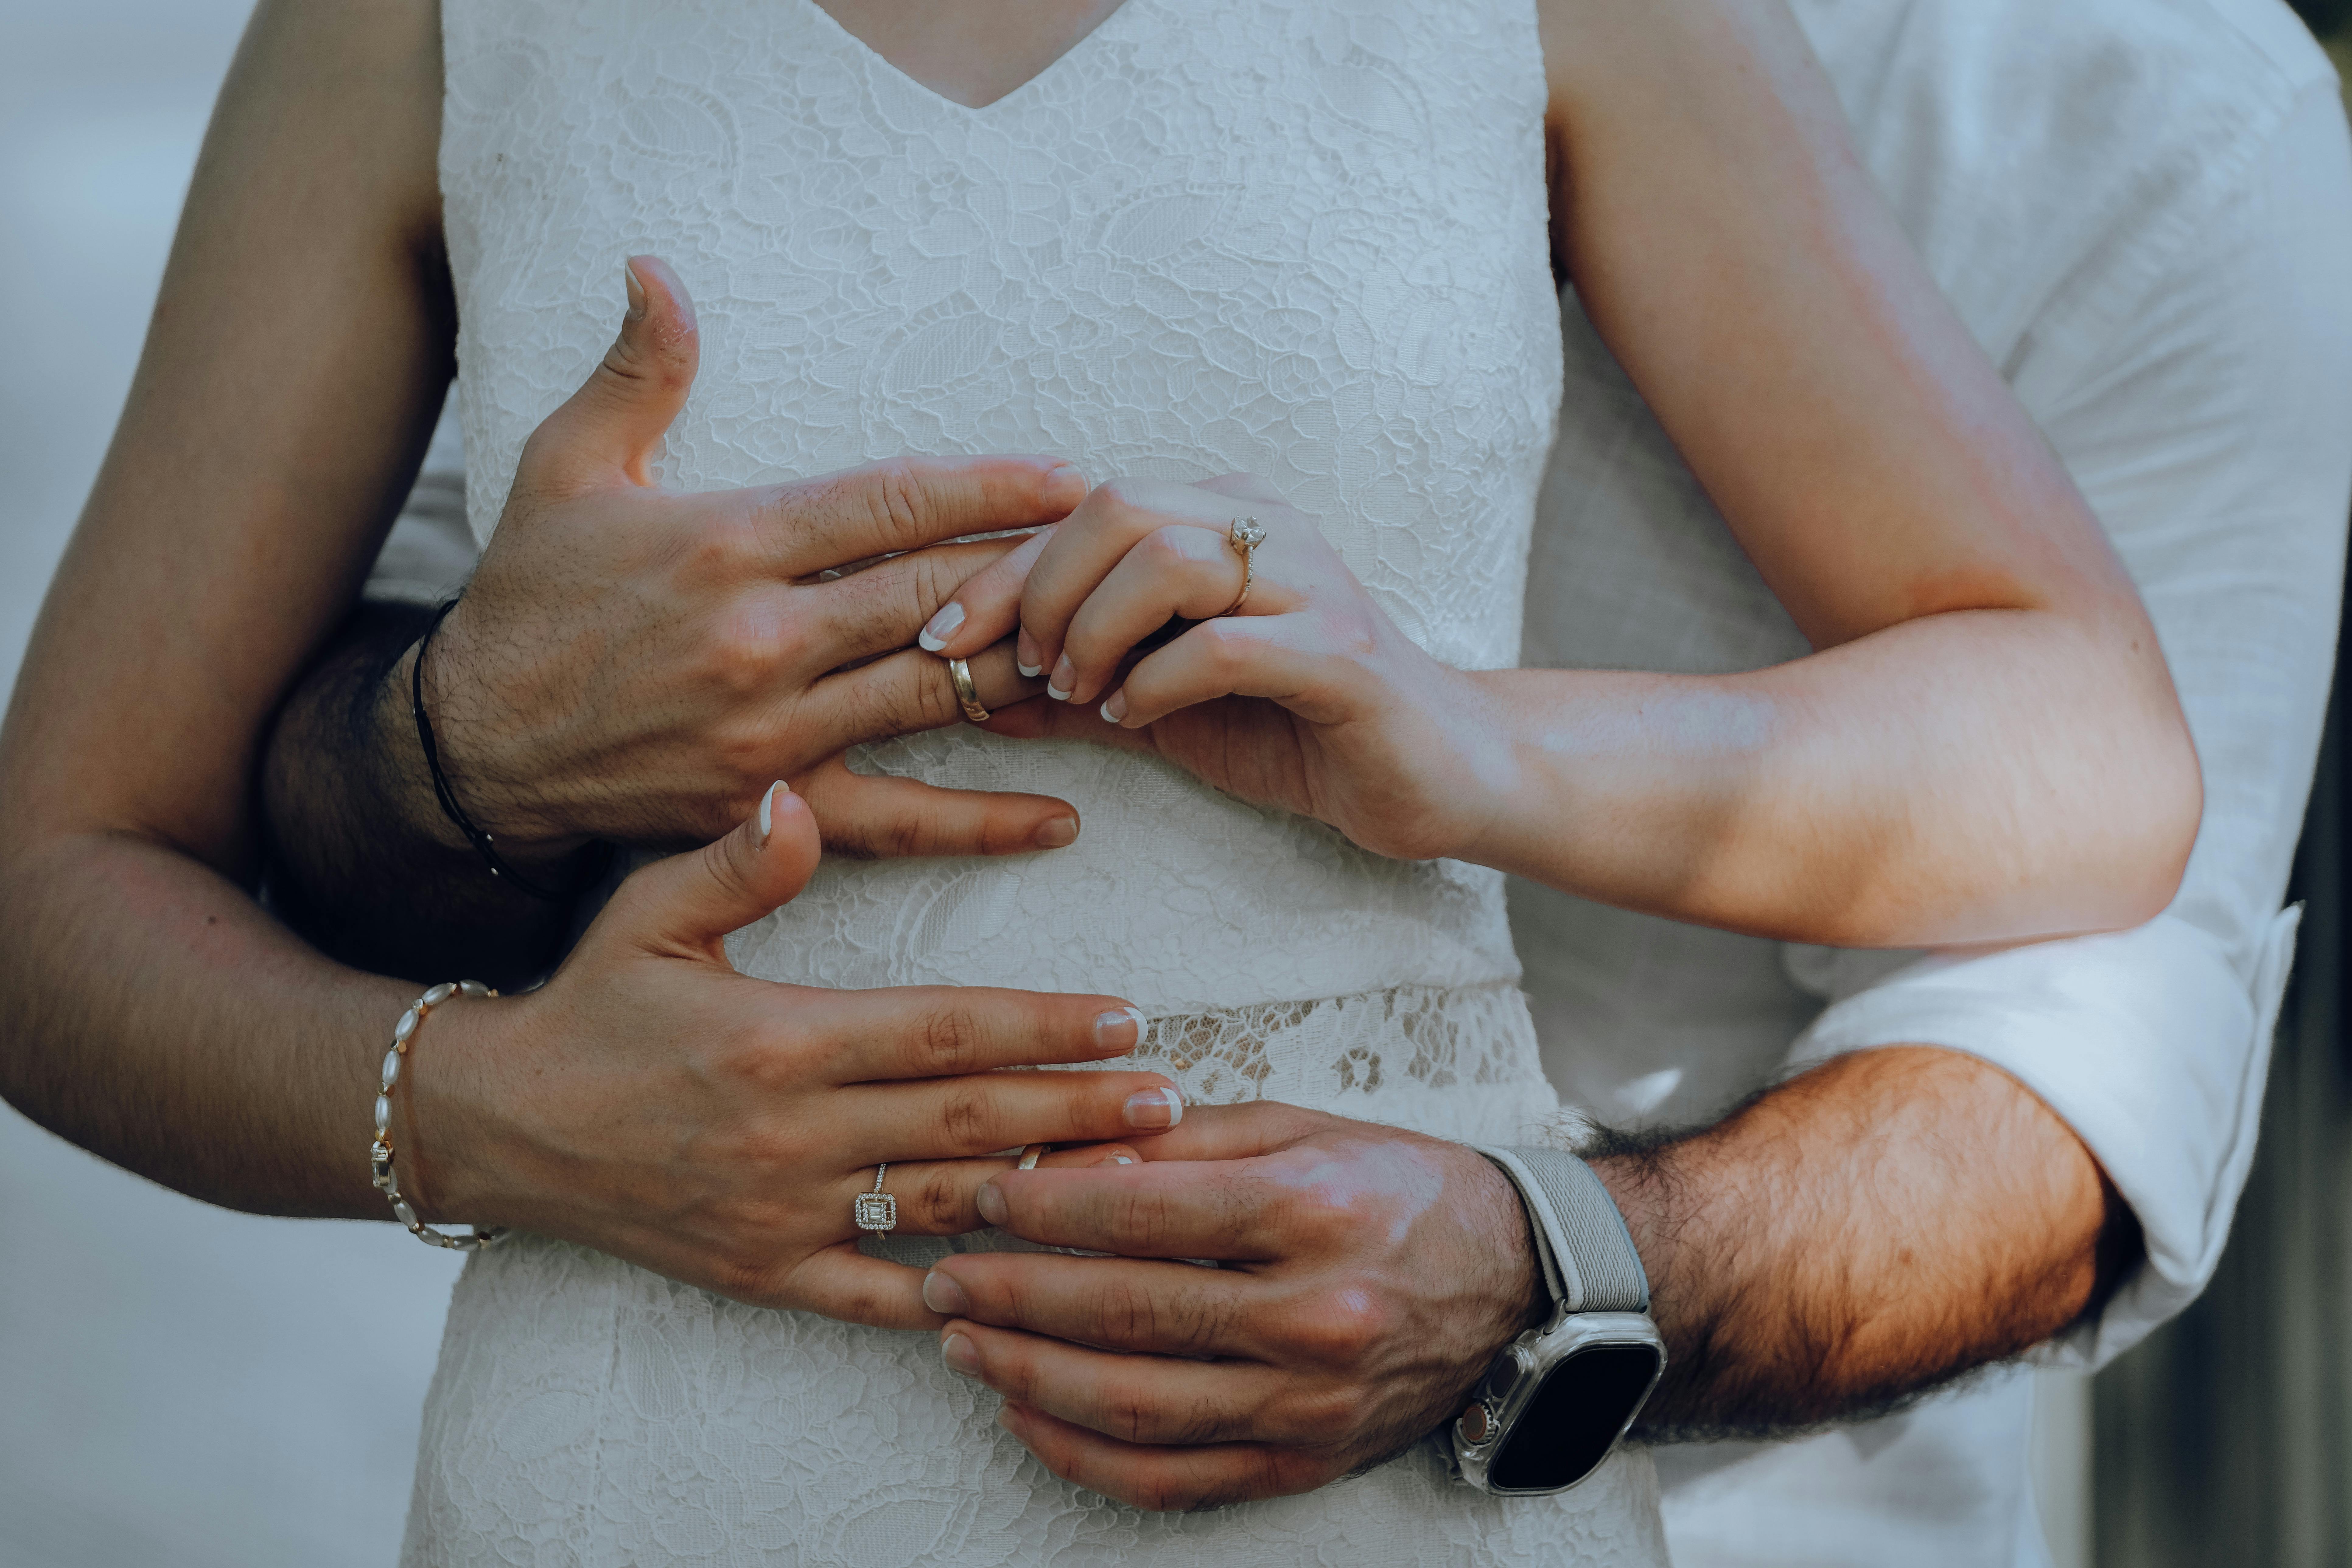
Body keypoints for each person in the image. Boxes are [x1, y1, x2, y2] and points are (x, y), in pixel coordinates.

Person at [0, 2, 2260, 1566]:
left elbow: (2089, 751)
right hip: (659, 1455)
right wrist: (497, 1106)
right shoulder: (417, 23)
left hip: (1368, 1480)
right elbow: (54, 891)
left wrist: (1462, 740)